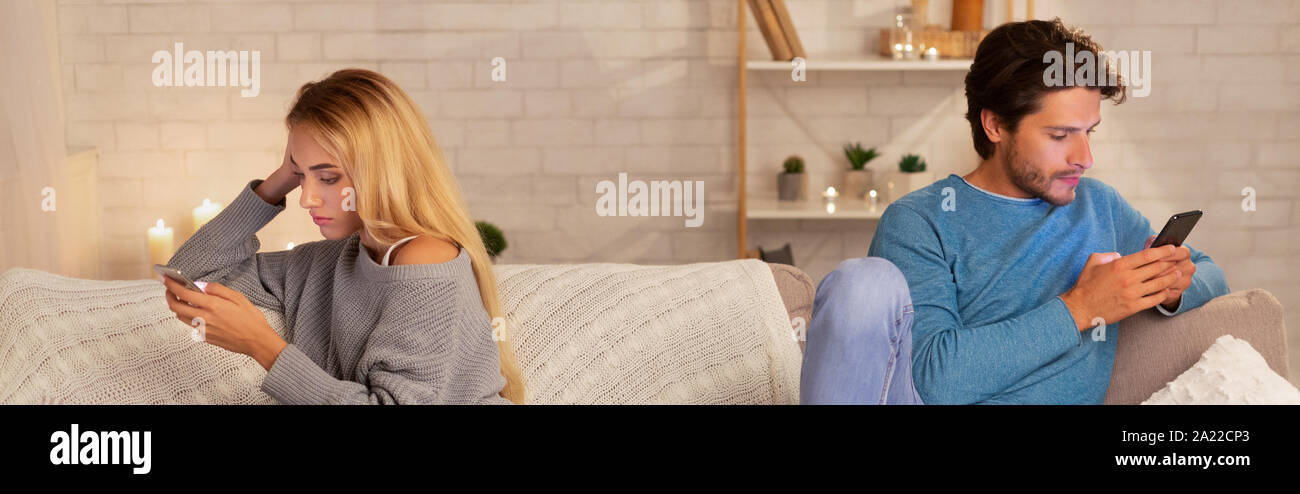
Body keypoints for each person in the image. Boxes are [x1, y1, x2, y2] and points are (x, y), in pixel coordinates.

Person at [806, 18, 1231, 405]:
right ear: (994, 126)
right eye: (1060, 135)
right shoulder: (920, 221)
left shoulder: (1099, 206)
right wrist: (1081, 308)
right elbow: (932, 382)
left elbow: (1211, 274)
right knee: (861, 282)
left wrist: (1170, 287)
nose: (1085, 157)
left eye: (1089, 133)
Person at [160, 69, 525, 405]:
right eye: (300, 176)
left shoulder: (428, 260)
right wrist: (276, 182)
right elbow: (189, 270)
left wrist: (260, 344)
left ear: (384, 170)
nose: (306, 198)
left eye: (328, 177)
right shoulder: (326, 262)